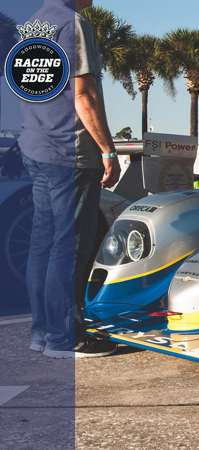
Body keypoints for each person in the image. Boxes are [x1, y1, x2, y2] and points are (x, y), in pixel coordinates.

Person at [19, 0, 120, 358]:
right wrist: (107, 149)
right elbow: (83, 95)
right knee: (72, 244)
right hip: (70, 152)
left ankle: (43, 333)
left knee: (42, 243)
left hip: (35, 145)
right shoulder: (73, 24)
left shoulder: (31, 25)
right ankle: (66, 337)